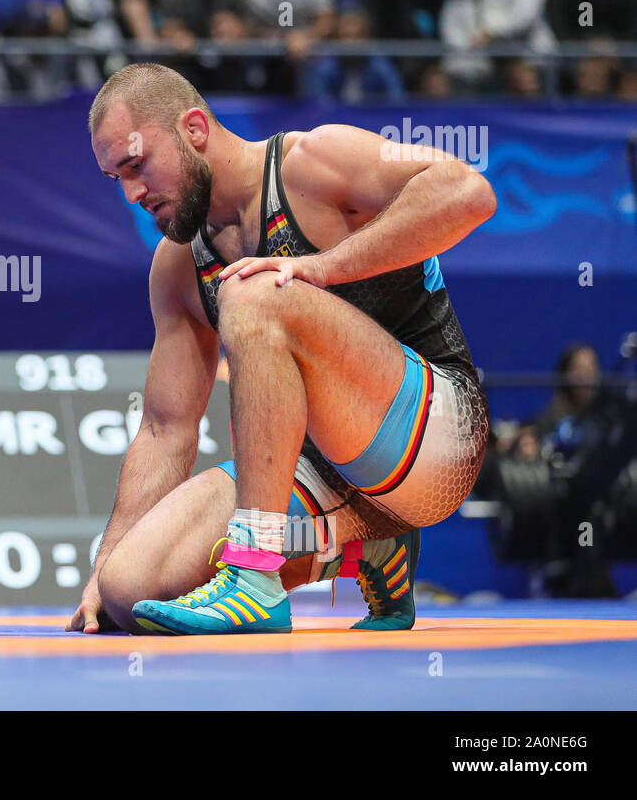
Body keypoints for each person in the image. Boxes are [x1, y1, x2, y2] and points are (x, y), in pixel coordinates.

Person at [77, 63, 494, 635]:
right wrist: (102, 568)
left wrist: (321, 268)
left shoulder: (314, 161)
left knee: (251, 292)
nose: (131, 193)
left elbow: (470, 192)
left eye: (136, 165)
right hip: (330, 471)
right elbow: (164, 428)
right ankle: (369, 548)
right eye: (115, 178)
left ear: (194, 129)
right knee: (131, 587)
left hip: (438, 437)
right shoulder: (177, 266)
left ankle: (254, 577)